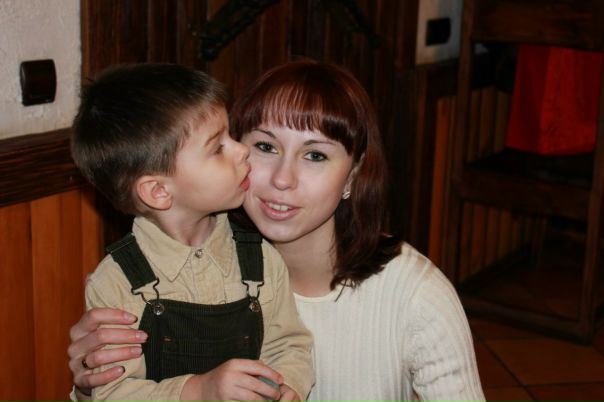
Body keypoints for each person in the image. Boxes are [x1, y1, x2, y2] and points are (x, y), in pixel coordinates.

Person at [69, 60, 486, 402]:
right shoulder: (139, 273)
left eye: (315, 155)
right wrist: (87, 388)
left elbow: (290, 349)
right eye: (266, 147)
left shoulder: (416, 296)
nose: (283, 179)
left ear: (352, 176)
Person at [70, 63, 314, 402]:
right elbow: (113, 393)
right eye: (217, 147)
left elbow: (289, 345)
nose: (242, 149)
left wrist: (288, 384)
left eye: (230, 136)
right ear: (158, 191)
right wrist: (198, 391)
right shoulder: (116, 283)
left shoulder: (259, 258)